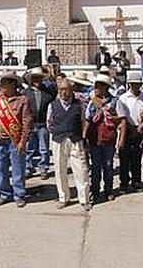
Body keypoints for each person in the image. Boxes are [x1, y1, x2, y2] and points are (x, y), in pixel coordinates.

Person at [0, 70, 32, 207]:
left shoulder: (22, 101)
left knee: (17, 168)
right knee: (1, 168)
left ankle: (19, 194)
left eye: (5, 82)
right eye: (1, 82)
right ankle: (4, 194)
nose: (1, 85)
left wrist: (23, 141)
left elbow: (27, 122)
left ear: (13, 84)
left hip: (16, 141)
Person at [47, 77, 91, 211]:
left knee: (81, 169)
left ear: (72, 90)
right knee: (60, 170)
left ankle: (84, 199)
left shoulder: (79, 104)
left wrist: (81, 136)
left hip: (75, 140)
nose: (64, 92)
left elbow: (84, 121)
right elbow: (49, 123)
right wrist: (58, 132)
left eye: (66, 89)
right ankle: (63, 198)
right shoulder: (52, 105)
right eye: (61, 89)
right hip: (58, 140)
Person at [85, 74, 118, 204]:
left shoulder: (114, 101)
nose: (96, 89)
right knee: (96, 167)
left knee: (108, 166)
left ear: (105, 88)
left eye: (98, 86)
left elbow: (118, 119)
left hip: (108, 138)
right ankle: (96, 191)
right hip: (95, 138)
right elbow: (88, 118)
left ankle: (108, 190)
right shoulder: (92, 102)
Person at [116, 70, 143, 193]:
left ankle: (136, 182)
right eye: (133, 84)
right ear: (129, 84)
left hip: (140, 129)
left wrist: (142, 125)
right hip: (127, 129)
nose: (136, 86)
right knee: (124, 158)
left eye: (138, 84)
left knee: (137, 157)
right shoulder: (123, 98)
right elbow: (121, 116)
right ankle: (124, 183)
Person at [23, 67, 54, 179]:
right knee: (29, 148)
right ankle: (28, 167)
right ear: (31, 79)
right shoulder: (25, 93)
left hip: (43, 124)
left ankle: (44, 168)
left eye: (39, 78)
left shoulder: (48, 93)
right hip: (30, 125)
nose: (37, 80)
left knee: (44, 148)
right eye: (35, 78)